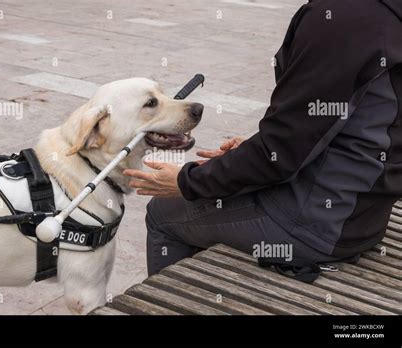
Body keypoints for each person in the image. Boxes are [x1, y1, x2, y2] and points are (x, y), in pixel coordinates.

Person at [124, 0, 402, 276]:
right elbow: (334, 127)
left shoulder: (340, 19)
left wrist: (187, 182)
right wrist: (250, 152)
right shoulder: (377, 13)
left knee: (163, 214)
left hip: (318, 225)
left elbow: (281, 153)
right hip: (365, 216)